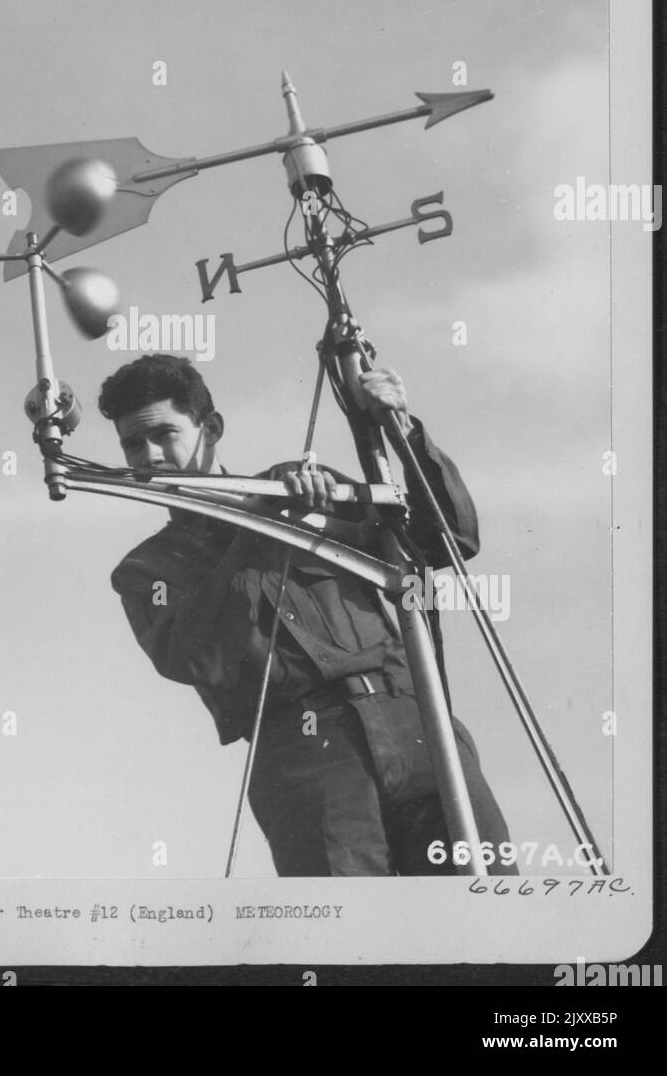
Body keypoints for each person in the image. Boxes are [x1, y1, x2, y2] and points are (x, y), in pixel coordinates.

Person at [99, 353, 515, 878]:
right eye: (133, 444)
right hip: (303, 755)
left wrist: (400, 427)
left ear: (212, 429)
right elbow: (191, 657)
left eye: (163, 434)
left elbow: (450, 540)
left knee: (489, 912)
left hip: (417, 723)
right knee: (349, 938)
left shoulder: (299, 486)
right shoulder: (146, 568)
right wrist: (254, 531)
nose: (149, 455)